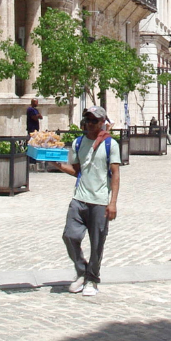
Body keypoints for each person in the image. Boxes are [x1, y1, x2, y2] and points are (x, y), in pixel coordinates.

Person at [59, 107, 121, 297]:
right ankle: (82, 270)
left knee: (97, 243)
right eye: (87, 120)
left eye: (94, 121)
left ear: (102, 122)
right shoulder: (78, 143)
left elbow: (115, 174)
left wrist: (112, 203)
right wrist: (59, 166)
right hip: (79, 198)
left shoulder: (110, 144)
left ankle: (92, 279)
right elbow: (77, 171)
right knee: (69, 236)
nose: (90, 124)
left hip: (100, 200)